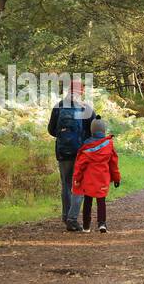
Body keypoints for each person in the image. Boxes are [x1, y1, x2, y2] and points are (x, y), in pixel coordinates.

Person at [47, 78, 97, 230]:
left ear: (68, 90)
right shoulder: (86, 109)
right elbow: (93, 132)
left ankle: (65, 216)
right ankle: (72, 218)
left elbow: (51, 130)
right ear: (81, 91)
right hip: (81, 153)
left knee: (66, 185)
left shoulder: (58, 107)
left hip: (63, 152)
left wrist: (64, 136)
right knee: (79, 185)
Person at [71, 118, 120, 233]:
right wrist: (117, 178)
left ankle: (86, 226)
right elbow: (113, 164)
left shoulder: (87, 146)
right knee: (101, 200)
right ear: (103, 130)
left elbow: (80, 165)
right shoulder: (109, 144)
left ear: (92, 130)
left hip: (89, 179)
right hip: (103, 178)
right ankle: (102, 223)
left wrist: (77, 179)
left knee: (88, 200)